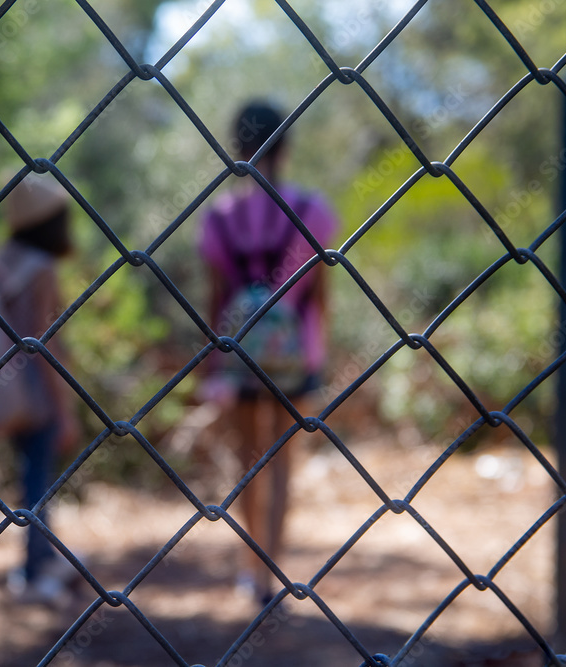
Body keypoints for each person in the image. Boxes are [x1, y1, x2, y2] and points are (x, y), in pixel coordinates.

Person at [197, 101, 339, 604]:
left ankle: (248, 570)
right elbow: (319, 294)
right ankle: (273, 573)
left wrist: (213, 361)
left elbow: (216, 298)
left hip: (237, 355)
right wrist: (320, 354)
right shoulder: (313, 211)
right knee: (282, 463)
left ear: (235, 147)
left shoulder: (219, 217)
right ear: (286, 145)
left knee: (247, 462)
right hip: (293, 354)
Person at [0, 171, 82, 605]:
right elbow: (46, 343)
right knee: (38, 480)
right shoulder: (42, 268)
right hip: (36, 391)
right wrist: (65, 410)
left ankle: (43, 554)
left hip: (0, 391)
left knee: (31, 478)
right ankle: (32, 570)